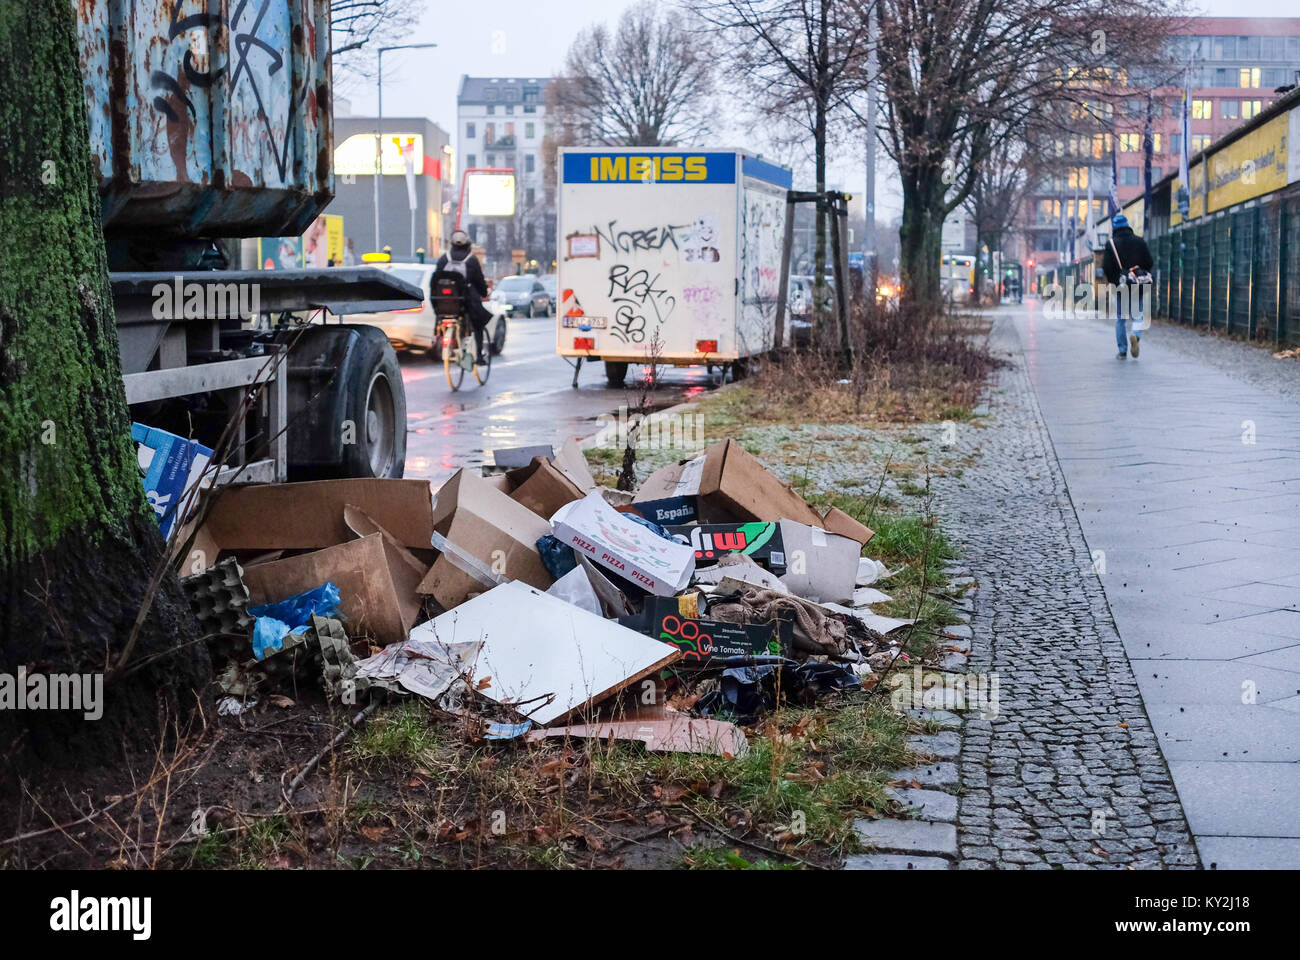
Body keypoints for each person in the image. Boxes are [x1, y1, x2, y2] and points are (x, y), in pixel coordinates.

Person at [1102, 213, 1153, 360]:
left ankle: (1123, 351)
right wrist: (1138, 272)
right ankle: (1135, 335)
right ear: (1127, 225)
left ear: (1115, 227)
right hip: (1137, 285)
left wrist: (1116, 281)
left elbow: (1106, 267)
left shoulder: (1111, 244)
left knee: (1120, 319)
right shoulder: (1140, 241)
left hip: (1121, 286)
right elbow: (1149, 262)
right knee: (1138, 316)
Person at [435, 230, 492, 358]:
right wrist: (483, 292)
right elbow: (479, 280)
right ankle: (479, 355)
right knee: (479, 323)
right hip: (467, 300)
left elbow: (436, 278)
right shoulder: (471, 260)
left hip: (445, 300)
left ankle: (447, 339)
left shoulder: (444, 259)